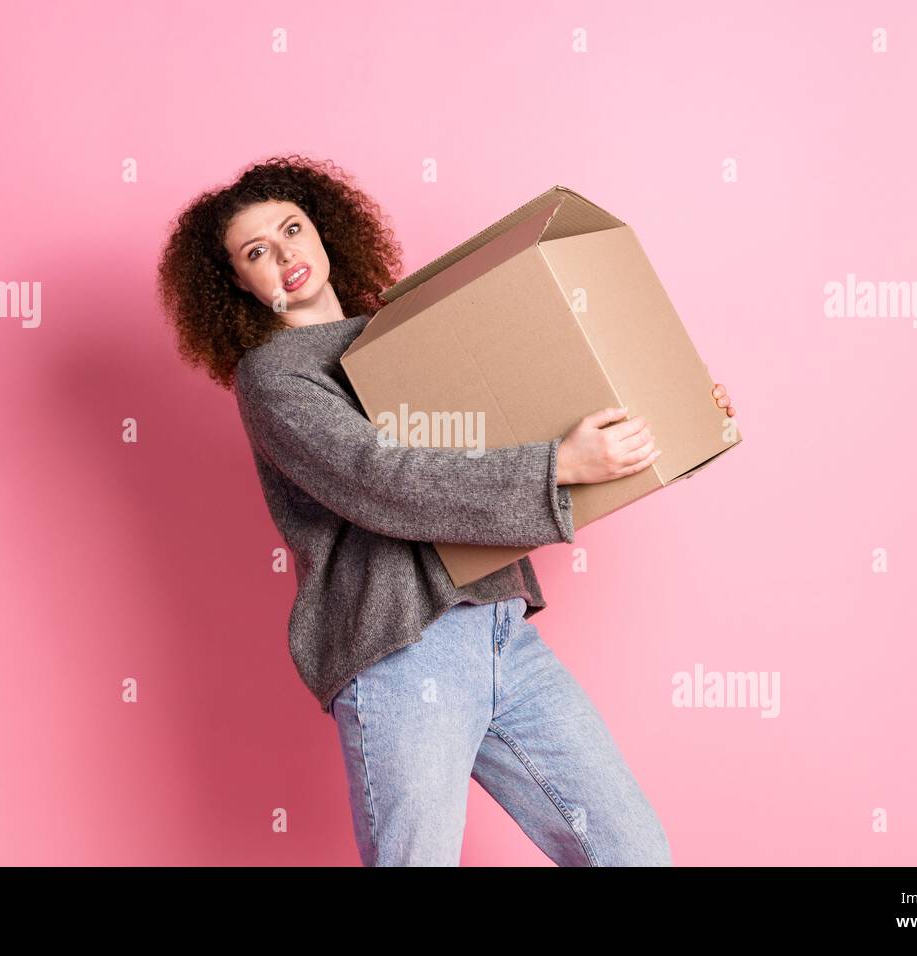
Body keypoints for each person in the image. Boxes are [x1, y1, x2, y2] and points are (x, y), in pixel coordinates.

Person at [156, 155, 737, 866]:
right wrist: (560, 465)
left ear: (324, 232)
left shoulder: (403, 335)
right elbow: (381, 481)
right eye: (256, 252)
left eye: (292, 229)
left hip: (502, 634)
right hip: (400, 650)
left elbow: (515, 417)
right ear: (236, 285)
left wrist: (672, 411)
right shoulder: (274, 376)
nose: (285, 255)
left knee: (633, 851)